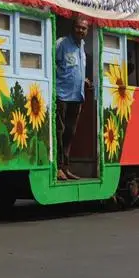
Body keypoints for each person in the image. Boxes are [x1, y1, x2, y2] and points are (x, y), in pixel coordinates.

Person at [54, 16, 90, 181]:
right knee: (59, 132)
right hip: (62, 95)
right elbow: (52, 63)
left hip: (77, 97)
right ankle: (57, 167)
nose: (80, 30)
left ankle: (65, 167)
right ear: (72, 27)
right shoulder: (61, 44)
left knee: (70, 133)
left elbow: (74, 69)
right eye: (78, 27)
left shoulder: (82, 46)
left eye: (84, 28)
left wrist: (84, 80)